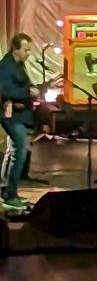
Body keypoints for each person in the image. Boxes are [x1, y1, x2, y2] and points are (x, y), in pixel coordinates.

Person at [0, 33, 36, 210]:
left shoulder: (17, 64)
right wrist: (29, 93)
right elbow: (5, 90)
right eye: (26, 50)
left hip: (18, 114)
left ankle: (6, 191)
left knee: (13, 150)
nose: (28, 53)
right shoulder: (6, 66)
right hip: (11, 115)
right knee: (20, 150)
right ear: (16, 49)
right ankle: (10, 194)